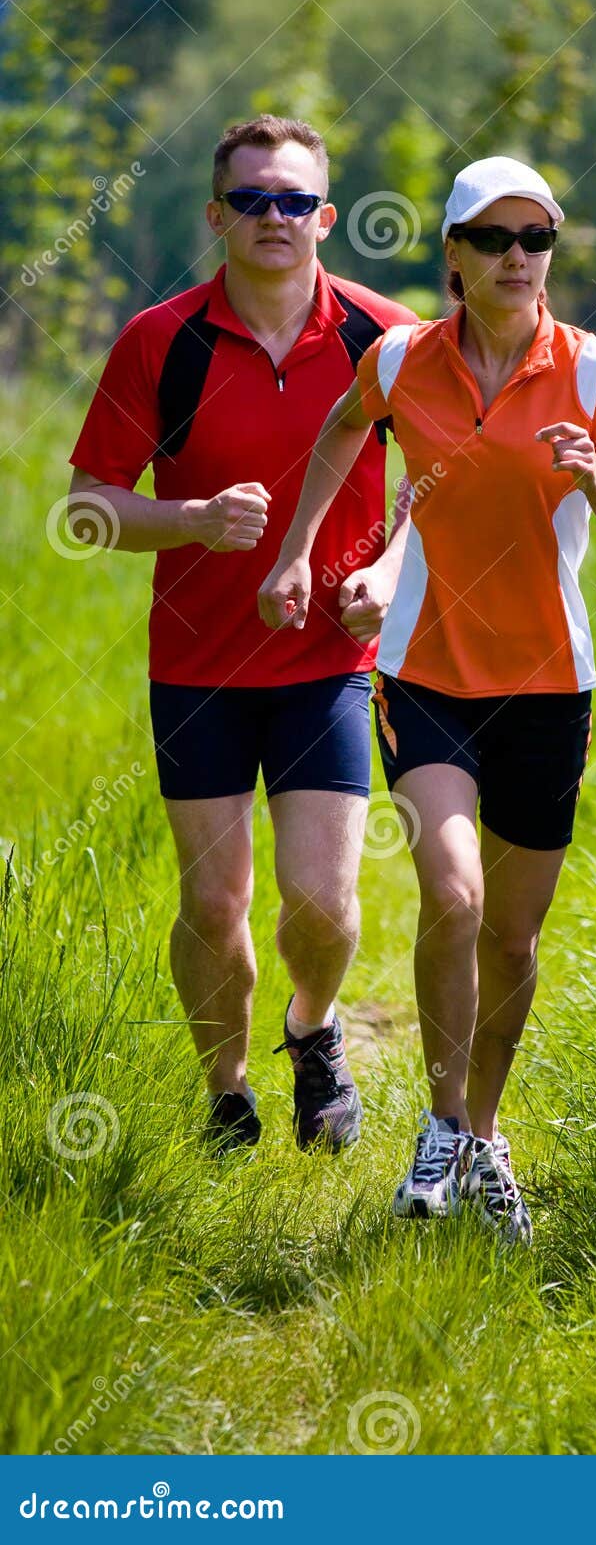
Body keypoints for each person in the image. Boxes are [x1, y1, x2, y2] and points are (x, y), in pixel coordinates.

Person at [259, 154, 596, 1242]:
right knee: (454, 895)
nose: (517, 259)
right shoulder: (398, 360)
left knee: (516, 944)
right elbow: (344, 430)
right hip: (426, 676)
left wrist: (592, 480)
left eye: (534, 239)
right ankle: (438, 1126)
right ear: (452, 255)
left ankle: (484, 1135)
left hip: (548, 689)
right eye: (492, 239)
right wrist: (304, 547)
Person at [67, 114, 417, 1154]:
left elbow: (444, 479)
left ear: (326, 215)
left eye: (295, 199)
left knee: (323, 900)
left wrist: (389, 574)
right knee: (214, 909)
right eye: (254, 200)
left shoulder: (381, 336)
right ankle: (224, 1089)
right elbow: (88, 507)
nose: (275, 217)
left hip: (329, 663)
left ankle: (312, 1029)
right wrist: (187, 520)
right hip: (198, 669)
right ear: (217, 215)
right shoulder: (159, 341)